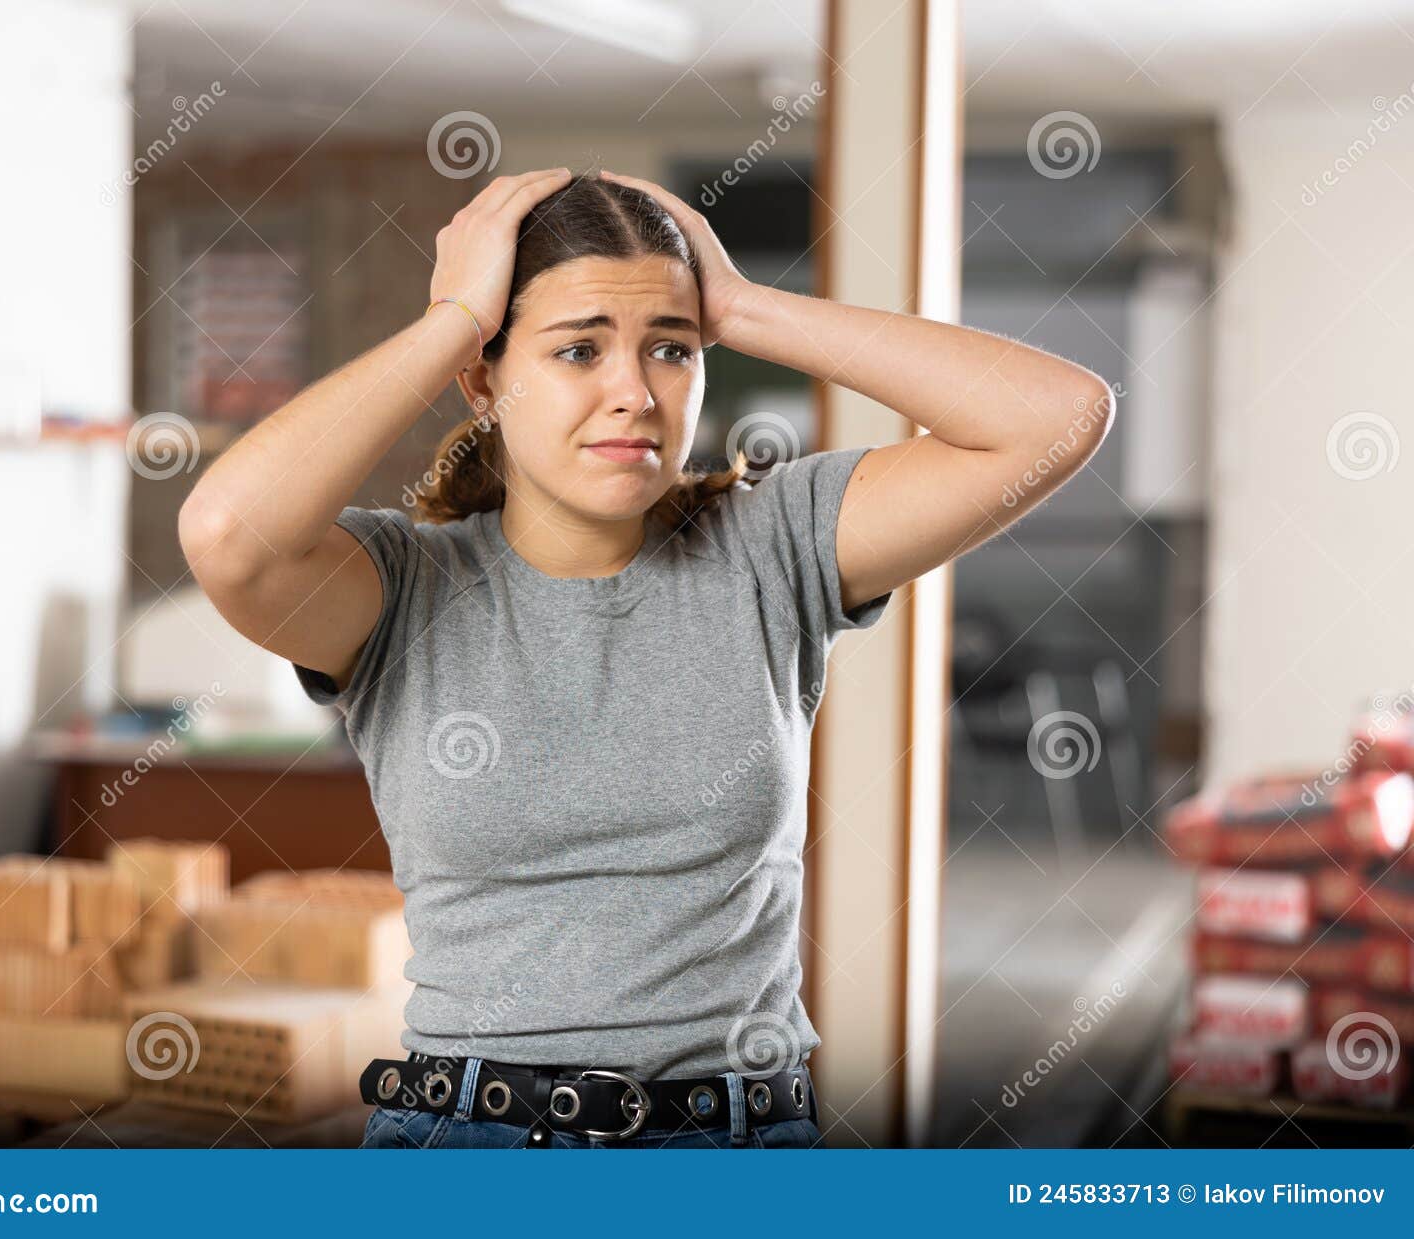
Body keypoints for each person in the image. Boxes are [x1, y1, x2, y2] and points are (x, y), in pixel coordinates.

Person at [179, 166, 1114, 1149]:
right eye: (578, 349)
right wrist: (454, 314)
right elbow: (231, 534)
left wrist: (742, 305)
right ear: (484, 377)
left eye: (670, 349)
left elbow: (1054, 419)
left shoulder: (774, 545)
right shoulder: (400, 589)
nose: (633, 393)